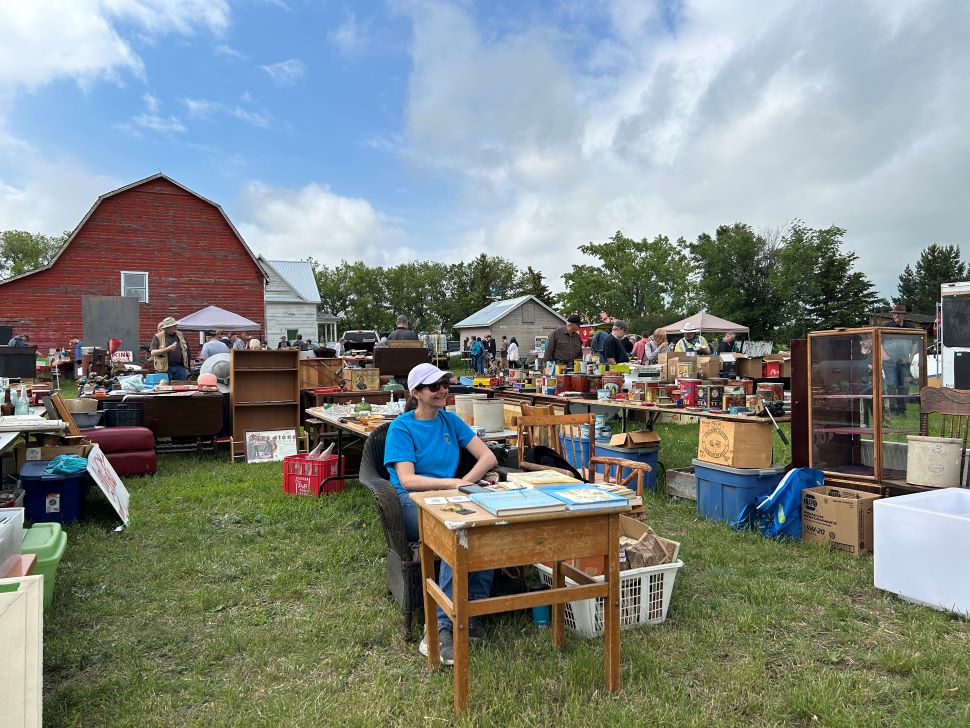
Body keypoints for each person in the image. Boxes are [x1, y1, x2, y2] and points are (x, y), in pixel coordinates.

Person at [384, 363, 498, 665]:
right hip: (412, 504)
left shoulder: (451, 421)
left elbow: (488, 456)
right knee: (453, 533)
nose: (443, 390)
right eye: (434, 386)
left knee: (484, 525)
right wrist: (455, 482)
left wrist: (467, 482)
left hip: (448, 498)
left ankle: (471, 612)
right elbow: (407, 480)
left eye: (445, 384)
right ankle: (439, 629)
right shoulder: (401, 427)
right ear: (416, 393)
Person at [883, 303, 917, 415]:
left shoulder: (910, 327)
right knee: (891, 385)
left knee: (904, 386)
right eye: (895, 313)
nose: (897, 315)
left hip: (904, 361)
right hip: (889, 361)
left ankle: (902, 410)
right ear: (892, 315)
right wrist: (885, 357)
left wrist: (911, 358)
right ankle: (891, 410)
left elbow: (915, 343)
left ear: (904, 315)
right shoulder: (886, 326)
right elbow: (878, 342)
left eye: (899, 313)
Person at [150, 316, 191, 381]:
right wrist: (167, 349)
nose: (176, 327)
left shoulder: (180, 335)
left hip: (180, 368)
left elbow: (187, 351)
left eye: (175, 325)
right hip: (165, 368)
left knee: (182, 387)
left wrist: (188, 368)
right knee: (166, 387)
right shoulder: (158, 337)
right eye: (173, 326)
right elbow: (153, 353)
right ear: (167, 328)